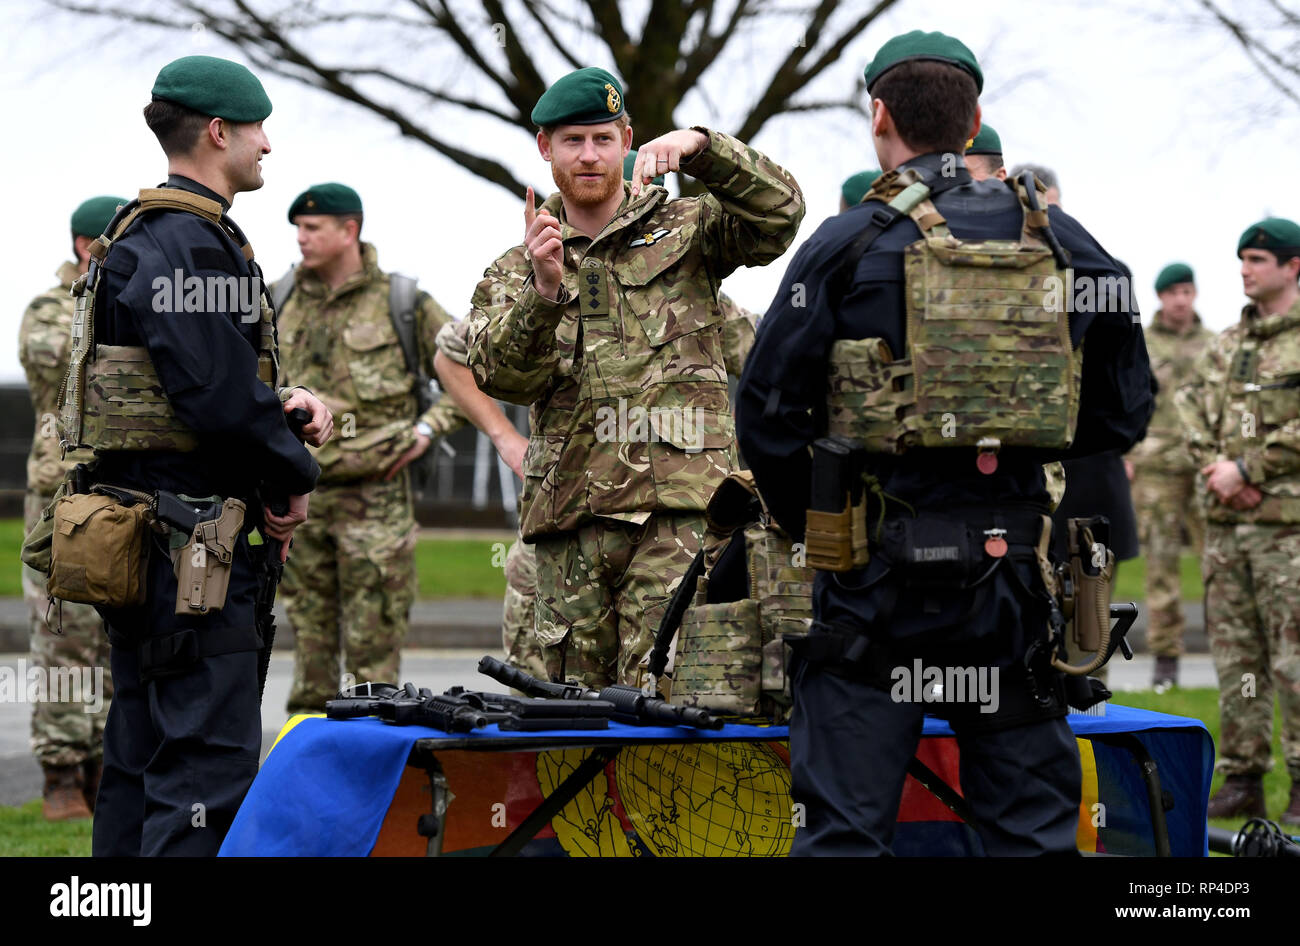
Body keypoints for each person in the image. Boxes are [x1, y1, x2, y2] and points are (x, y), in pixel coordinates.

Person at [736, 31, 1153, 855]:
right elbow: (1123, 411)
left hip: (872, 590)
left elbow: (765, 410)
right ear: (976, 122)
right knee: (1030, 835)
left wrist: (820, 523)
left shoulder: (844, 243)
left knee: (847, 836)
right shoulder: (1071, 247)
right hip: (1016, 588)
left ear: (879, 114)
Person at [58, 55, 332, 856]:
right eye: (256, 130)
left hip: (145, 534)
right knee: (204, 770)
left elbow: (183, 383)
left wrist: (279, 408)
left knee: (139, 761)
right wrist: (295, 472)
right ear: (218, 132)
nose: (267, 146)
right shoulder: (189, 240)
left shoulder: (140, 234)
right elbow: (215, 398)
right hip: (193, 547)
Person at [466, 66, 803, 688]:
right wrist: (543, 294)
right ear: (546, 149)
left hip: (676, 517)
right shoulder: (516, 266)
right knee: (571, 724)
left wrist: (704, 149)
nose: (589, 156)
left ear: (627, 139)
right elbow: (499, 376)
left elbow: (780, 217)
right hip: (571, 525)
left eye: (602, 139)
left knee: (669, 708)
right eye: (573, 141)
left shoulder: (688, 229)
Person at [274, 183, 466, 713]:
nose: (301, 238)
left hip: (377, 501)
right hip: (297, 501)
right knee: (308, 643)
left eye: (312, 228)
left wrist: (428, 429)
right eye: (298, 228)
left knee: (373, 654)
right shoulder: (277, 300)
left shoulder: (403, 304)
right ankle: (307, 769)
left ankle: (373, 773)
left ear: (349, 230)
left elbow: (470, 371)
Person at [1177, 218, 1300, 825]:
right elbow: (1191, 411)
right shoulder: (1226, 345)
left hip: (1287, 530)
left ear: (1292, 266)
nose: (1245, 269)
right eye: (1242, 259)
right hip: (1226, 528)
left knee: (1294, 657)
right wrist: (1216, 470)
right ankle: (1243, 777)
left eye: (1256, 259)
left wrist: (1248, 469)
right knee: (1238, 662)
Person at [19, 196, 125, 821]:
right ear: (89, 247)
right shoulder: (49, 310)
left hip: (117, 497)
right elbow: (66, 363)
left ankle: (104, 765)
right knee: (63, 639)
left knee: (115, 640)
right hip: (61, 501)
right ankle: (61, 772)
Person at [1127, 263, 1212, 688]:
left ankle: (1230, 652)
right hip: (1156, 468)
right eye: (1173, 292)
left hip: (1205, 468)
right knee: (1160, 566)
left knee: (1218, 563)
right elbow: (1129, 401)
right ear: (1161, 297)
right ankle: (1165, 659)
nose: (1181, 299)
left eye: (1187, 290)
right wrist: (1128, 453)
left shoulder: (1215, 345)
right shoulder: (1142, 344)